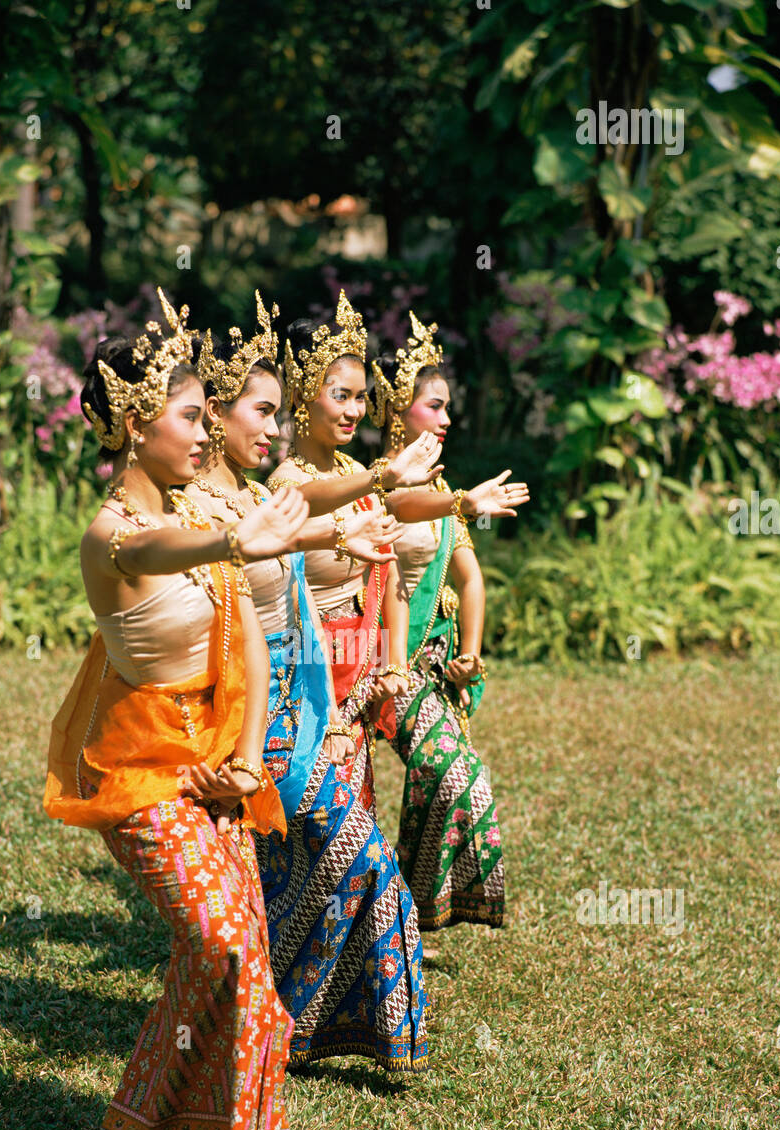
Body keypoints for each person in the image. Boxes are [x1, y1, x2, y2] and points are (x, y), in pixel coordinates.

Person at [43, 289, 309, 1130]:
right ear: (134, 424)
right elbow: (155, 552)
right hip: (141, 778)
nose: (204, 434)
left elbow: (251, 641)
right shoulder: (114, 534)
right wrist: (233, 544)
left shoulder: (206, 516)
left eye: (206, 418)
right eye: (190, 418)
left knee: (218, 954)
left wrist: (245, 755)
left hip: (216, 769)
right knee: (226, 940)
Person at [184, 291, 428, 1072]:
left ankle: (288, 1027)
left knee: (330, 873)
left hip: (302, 709)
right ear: (217, 414)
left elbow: (302, 522)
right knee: (358, 862)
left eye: (277, 412)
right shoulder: (197, 511)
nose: (273, 428)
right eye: (260, 411)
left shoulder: (256, 497)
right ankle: (271, 1026)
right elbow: (267, 540)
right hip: (247, 727)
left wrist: (353, 520)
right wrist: (377, 483)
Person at [366, 311, 530, 939]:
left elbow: (471, 577)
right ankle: (411, 909)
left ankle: (408, 914)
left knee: (445, 782)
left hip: (428, 669)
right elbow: (397, 505)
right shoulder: (379, 487)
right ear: (401, 412)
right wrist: (460, 500)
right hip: (376, 662)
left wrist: (472, 653)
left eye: (447, 408)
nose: (446, 419)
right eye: (434, 406)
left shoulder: (439, 490)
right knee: (454, 775)